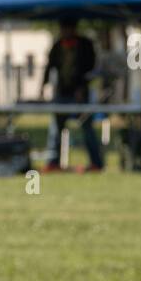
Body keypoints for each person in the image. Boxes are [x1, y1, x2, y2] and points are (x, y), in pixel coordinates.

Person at [42, 14, 103, 172]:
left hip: (80, 94)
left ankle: (96, 163)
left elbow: (90, 68)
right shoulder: (57, 46)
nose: (65, 31)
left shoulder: (85, 45)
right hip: (62, 93)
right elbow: (49, 67)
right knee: (55, 129)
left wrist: (82, 88)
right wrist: (43, 87)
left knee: (87, 128)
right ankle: (53, 162)